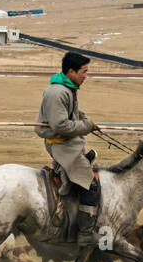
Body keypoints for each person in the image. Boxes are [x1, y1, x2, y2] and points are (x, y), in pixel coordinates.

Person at [35, 52, 102, 246]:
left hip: (67, 142)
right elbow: (60, 125)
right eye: (83, 71)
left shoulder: (68, 88)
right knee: (91, 186)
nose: (85, 76)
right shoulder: (59, 92)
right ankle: (84, 235)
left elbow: (71, 113)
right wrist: (87, 126)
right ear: (71, 71)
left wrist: (85, 119)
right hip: (61, 144)